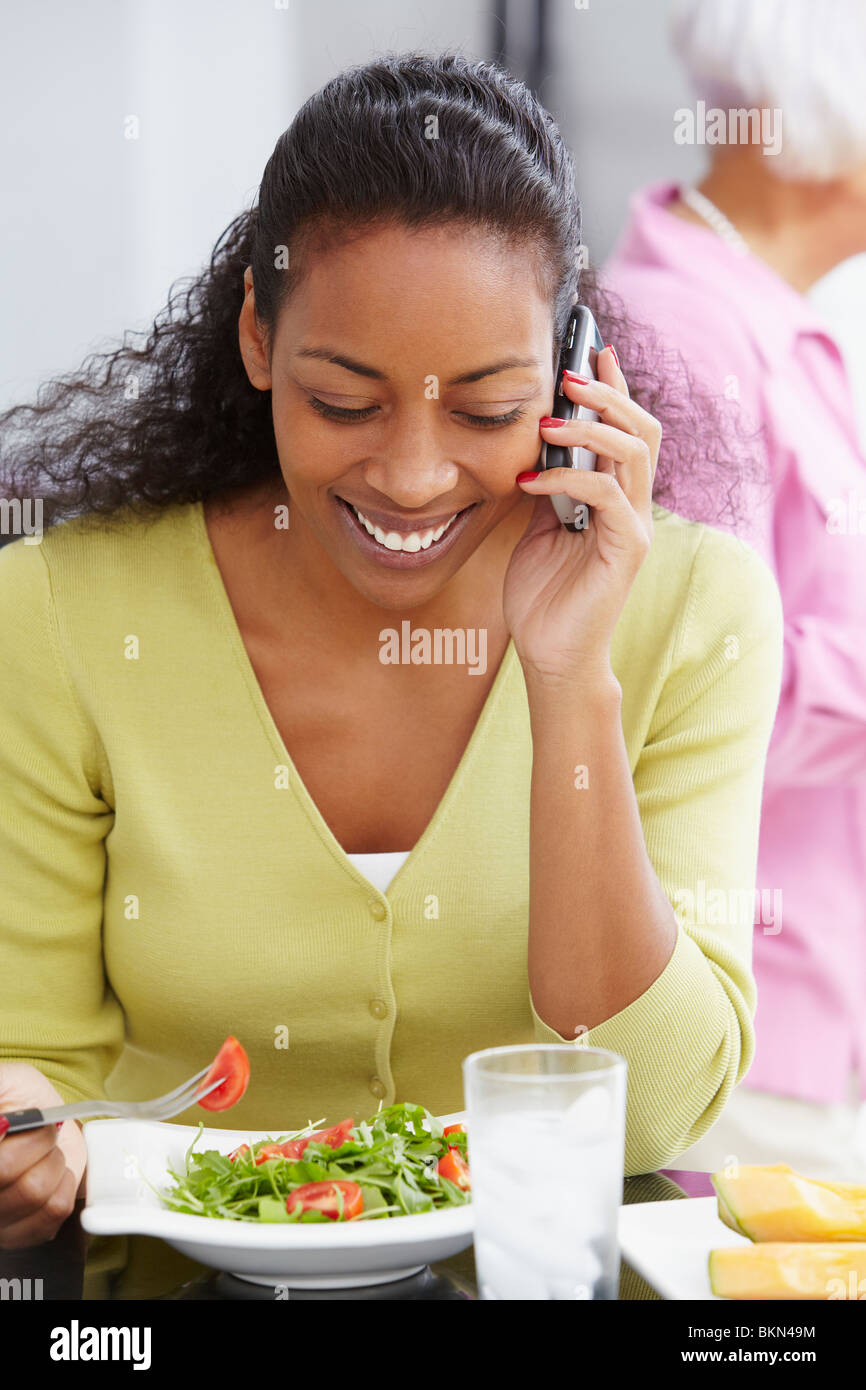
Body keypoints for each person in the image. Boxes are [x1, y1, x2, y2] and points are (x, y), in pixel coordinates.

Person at [0, 51, 782, 1248]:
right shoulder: (59, 609)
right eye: (344, 402)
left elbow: (652, 1111)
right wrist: (25, 1138)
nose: (411, 476)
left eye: (483, 408)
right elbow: (36, 1063)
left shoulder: (693, 606)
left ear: (572, 370)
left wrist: (570, 680)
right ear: (258, 337)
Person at [603, 0, 866, 1179]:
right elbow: (705, 681)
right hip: (746, 1034)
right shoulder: (683, 336)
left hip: (818, 1009)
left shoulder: (771, 323)